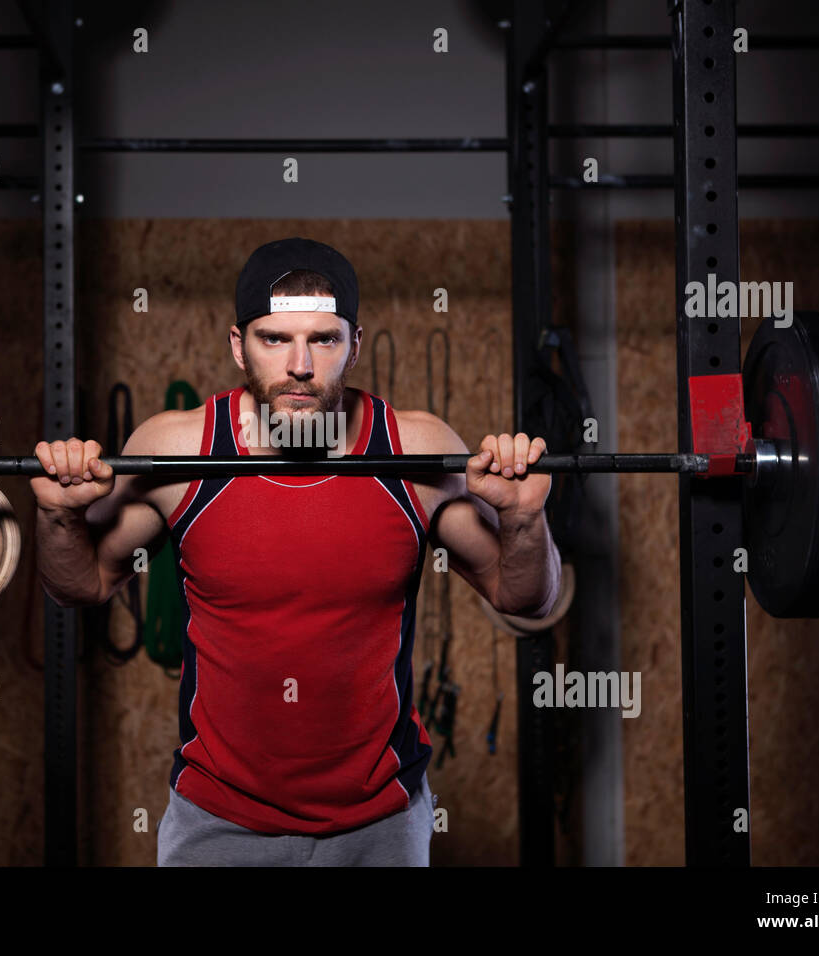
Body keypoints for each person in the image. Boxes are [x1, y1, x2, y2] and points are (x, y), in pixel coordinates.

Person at [31, 237, 562, 866]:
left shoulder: (413, 450)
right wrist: (58, 516)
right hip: (217, 820)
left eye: (324, 339)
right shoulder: (178, 451)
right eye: (275, 339)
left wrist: (524, 521)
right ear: (238, 345)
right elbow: (78, 585)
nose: (301, 366)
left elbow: (526, 595)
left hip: (380, 821)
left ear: (355, 345)